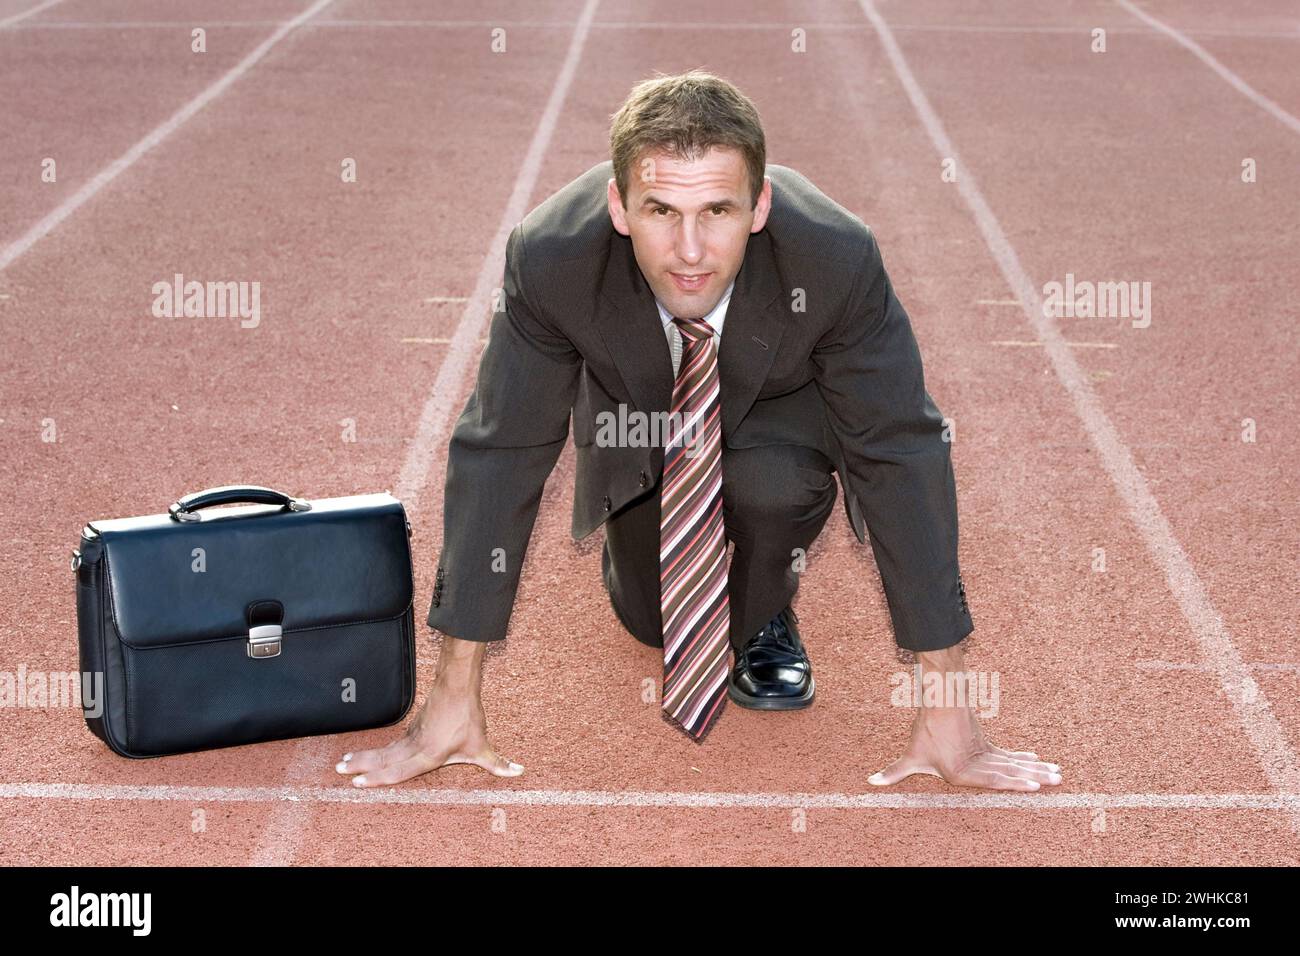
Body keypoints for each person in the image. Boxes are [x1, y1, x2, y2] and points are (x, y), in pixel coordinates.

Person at [336, 70, 1062, 792]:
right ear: (618, 206)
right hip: (640, 427)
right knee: (654, 625)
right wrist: (451, 695)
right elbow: (501, 451)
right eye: (660, 211)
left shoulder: (834, 261)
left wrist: (949, 707)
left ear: (761, 205)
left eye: (717, 210)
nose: (689, 250)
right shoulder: (553, 259)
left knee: (774, 487)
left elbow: (900, 446)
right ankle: (647, 553)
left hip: (774, 418)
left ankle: (764, 606)